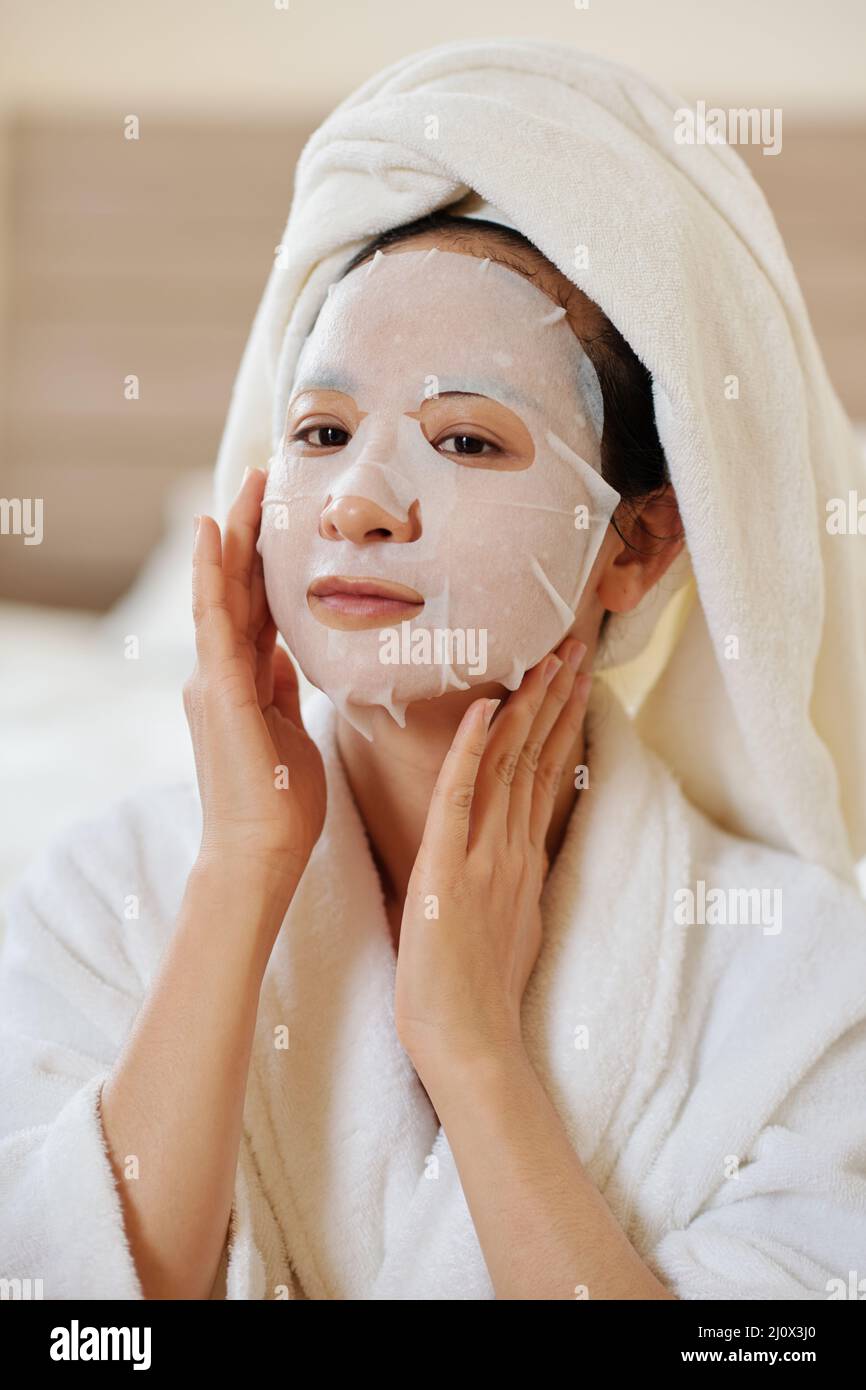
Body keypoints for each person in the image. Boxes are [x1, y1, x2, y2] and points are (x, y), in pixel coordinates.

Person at [2, 40, 866, 1302]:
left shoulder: (796, 982)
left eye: (464, 436)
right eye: (322, 431)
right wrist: (242, 875)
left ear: (638, 541)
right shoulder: (95, 897)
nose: (356, 501)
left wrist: (474, 1057)